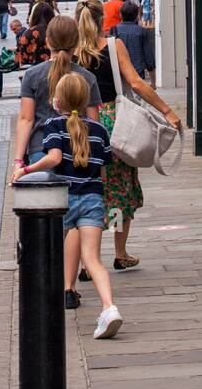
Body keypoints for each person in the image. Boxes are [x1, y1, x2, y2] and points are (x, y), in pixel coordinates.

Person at [13, 72, 123, 338]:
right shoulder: (99, 130)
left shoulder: (53, 125)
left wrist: (26, 169)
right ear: (86, 101)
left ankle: (45, 305)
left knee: (45, 253)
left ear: (57, 101)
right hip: (93, 199)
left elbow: (54, 158)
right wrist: (103, 196)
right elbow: (103, 168)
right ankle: (109, 307)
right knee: (93, 259)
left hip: (64, 199)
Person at [76, 0, 180, 270]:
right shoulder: (112, 46)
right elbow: (135, 82)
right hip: (112, 124)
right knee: (118, 192)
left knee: (88, 193)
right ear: (103, 20)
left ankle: (88, 262)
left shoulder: (70, 51)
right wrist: (167, 111)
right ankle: (120, 252)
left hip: (76, 126)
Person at [13, 16, 102, 191]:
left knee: (46, 212)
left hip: (41, 150)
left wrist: (18, 162)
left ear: (47, 41)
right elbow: (93, 122)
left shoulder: (32, 75)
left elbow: (26, 119)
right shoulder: (88, 78)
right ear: (76, 42)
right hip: (77, 151)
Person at [114, 1, 155, 83]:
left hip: (119, 76)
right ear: (137, 16)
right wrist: (153, 81)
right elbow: (149, 58)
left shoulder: (115, 30)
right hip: (137, 76)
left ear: (120, 15)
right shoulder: (142, 31)